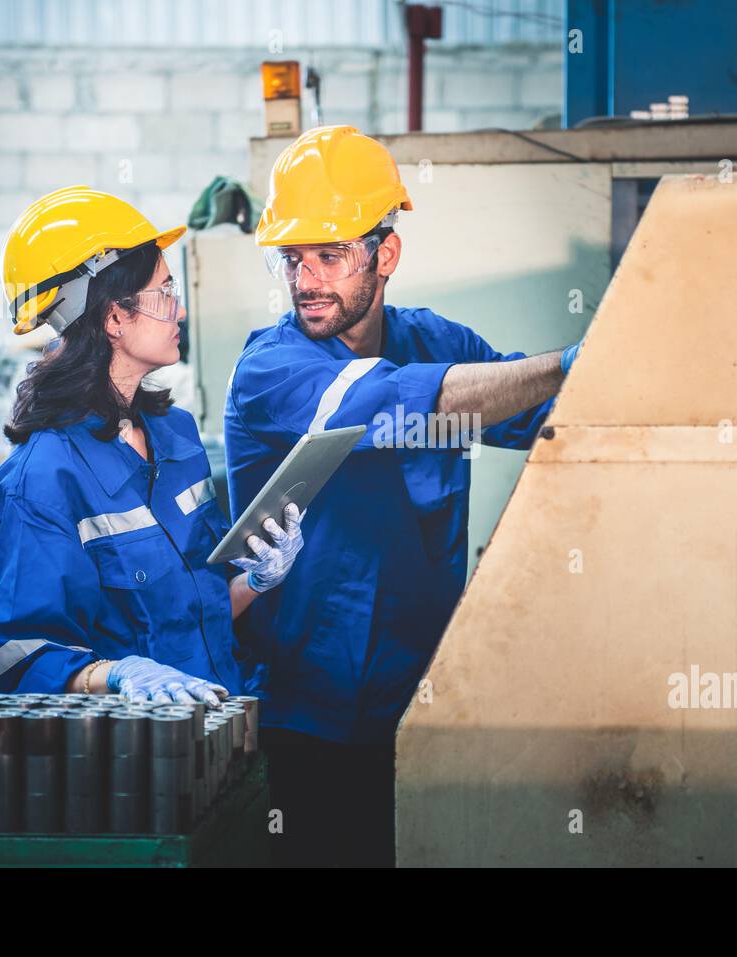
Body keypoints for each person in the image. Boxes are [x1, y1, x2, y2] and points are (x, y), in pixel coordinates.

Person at [225, 126, 582, 864]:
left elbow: (539, 414)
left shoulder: (434, 341)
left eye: (330, 255)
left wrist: (612, 377)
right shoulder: (271, 368)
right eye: (293, 257)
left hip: (420, 709)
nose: (307, 280)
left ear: (385, 255)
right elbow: (385, 403)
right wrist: (567, 364)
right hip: (301, 720)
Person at [0, 186, 304, 704]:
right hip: (129, 765)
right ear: (113, 318)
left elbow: (200, 608)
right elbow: (21, 663)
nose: (180, 312)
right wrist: (118, 673)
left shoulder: (177, 437)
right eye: (166, 293)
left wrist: (257, 581)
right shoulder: (41, 482)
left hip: (223, 728)